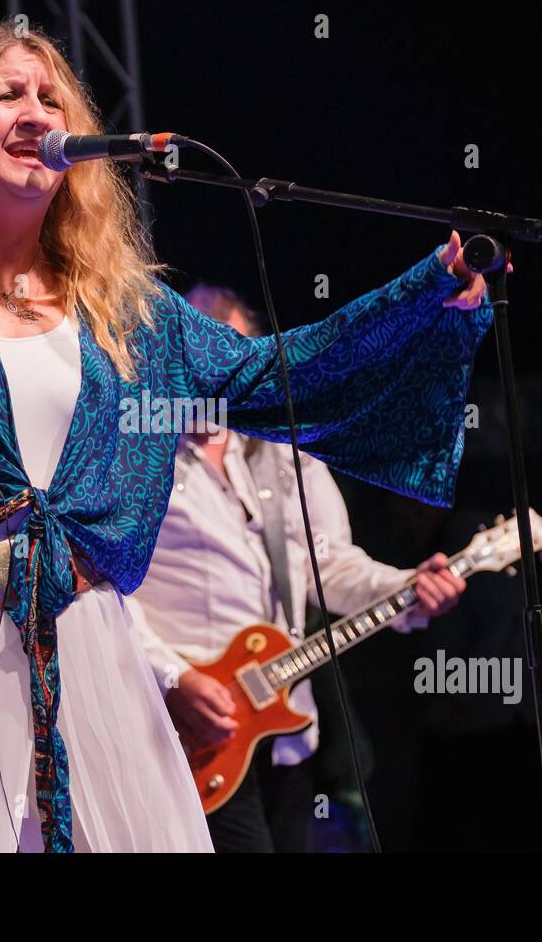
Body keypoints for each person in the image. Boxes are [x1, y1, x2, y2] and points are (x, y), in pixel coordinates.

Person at [0, 18, 498, 853]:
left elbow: (272, 378)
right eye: (8, 94)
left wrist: (425, 298)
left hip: (82, 639)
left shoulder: (124, 305)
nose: (36, 110)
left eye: (51, 96)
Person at [126, 286, 466, 852]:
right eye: (198, 355)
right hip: (187, 728)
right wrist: (173, 676)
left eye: (230, 356)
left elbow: (327, 563)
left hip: (285, 727)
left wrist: (404, 586)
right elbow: (107, 588)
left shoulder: (283, 452)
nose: (213, 373)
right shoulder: (138, 454)